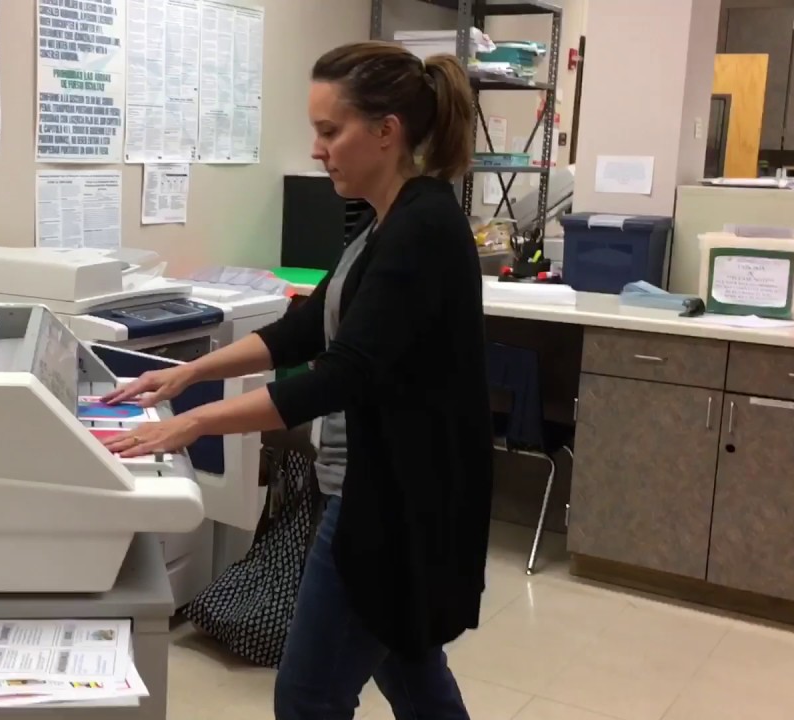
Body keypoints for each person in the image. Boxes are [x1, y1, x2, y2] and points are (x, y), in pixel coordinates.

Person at [102, 42, 492, 720]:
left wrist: (193, 423)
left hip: (393, 502)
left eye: (329, 131)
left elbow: (343, 375)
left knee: (310, 694)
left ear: (386, 132)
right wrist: (188, 375)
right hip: (383, 489)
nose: (317, 150)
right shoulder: (384, 222)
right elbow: (306, 330)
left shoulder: (423, 228)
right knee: (410, 668)